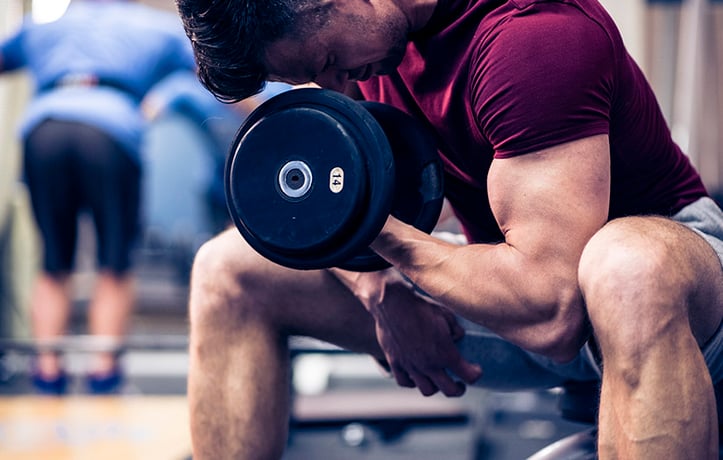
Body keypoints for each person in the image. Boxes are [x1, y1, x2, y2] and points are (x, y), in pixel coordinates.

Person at [175, 0, 723, 458]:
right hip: (520, 281)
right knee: (226, 270)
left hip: (671, 294)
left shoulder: (529, 34)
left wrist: (379, 238)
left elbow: (554, 313)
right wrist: (376, 287)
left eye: (328, 59)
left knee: (623, 264)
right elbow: (333, 211)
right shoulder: (377, 45)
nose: (332, 84)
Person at [0, 0, 195, 394]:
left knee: (53, 262)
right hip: (110, 130)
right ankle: (103, 374)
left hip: (45, 128)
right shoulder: (152, 26)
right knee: (115, 262)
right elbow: (215, 61)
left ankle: (48, 373)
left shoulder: (44, 27)